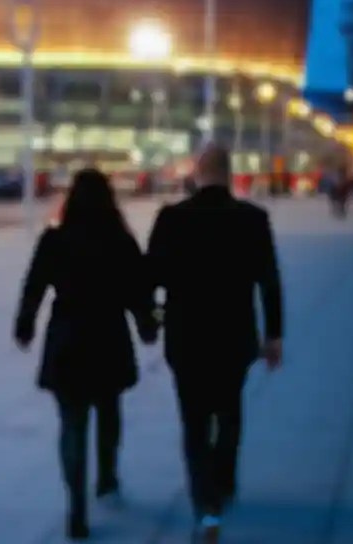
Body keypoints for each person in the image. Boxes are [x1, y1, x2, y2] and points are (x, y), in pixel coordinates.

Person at [145, 144, 283, 543]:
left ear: (197, 172)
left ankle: (205, 504)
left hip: (186, 337)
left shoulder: (172, 219)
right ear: (229, 173)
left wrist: (151, 320)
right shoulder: (253, 220)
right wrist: (273, 335)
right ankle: (223, 480)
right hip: (234, 337)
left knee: (193, 420)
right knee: (229, 410)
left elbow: (149, 277)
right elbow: (269, 282)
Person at [14, 168, 158, 541]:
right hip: (108, 337)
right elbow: (139, 294)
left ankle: (76, 506)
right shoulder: (121, 242)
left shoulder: (54, 240)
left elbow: (34, 287)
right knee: (109, 411)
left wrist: (25, 325)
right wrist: (148, 325)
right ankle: (107, 478)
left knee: (72, 423)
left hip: (67, 339)